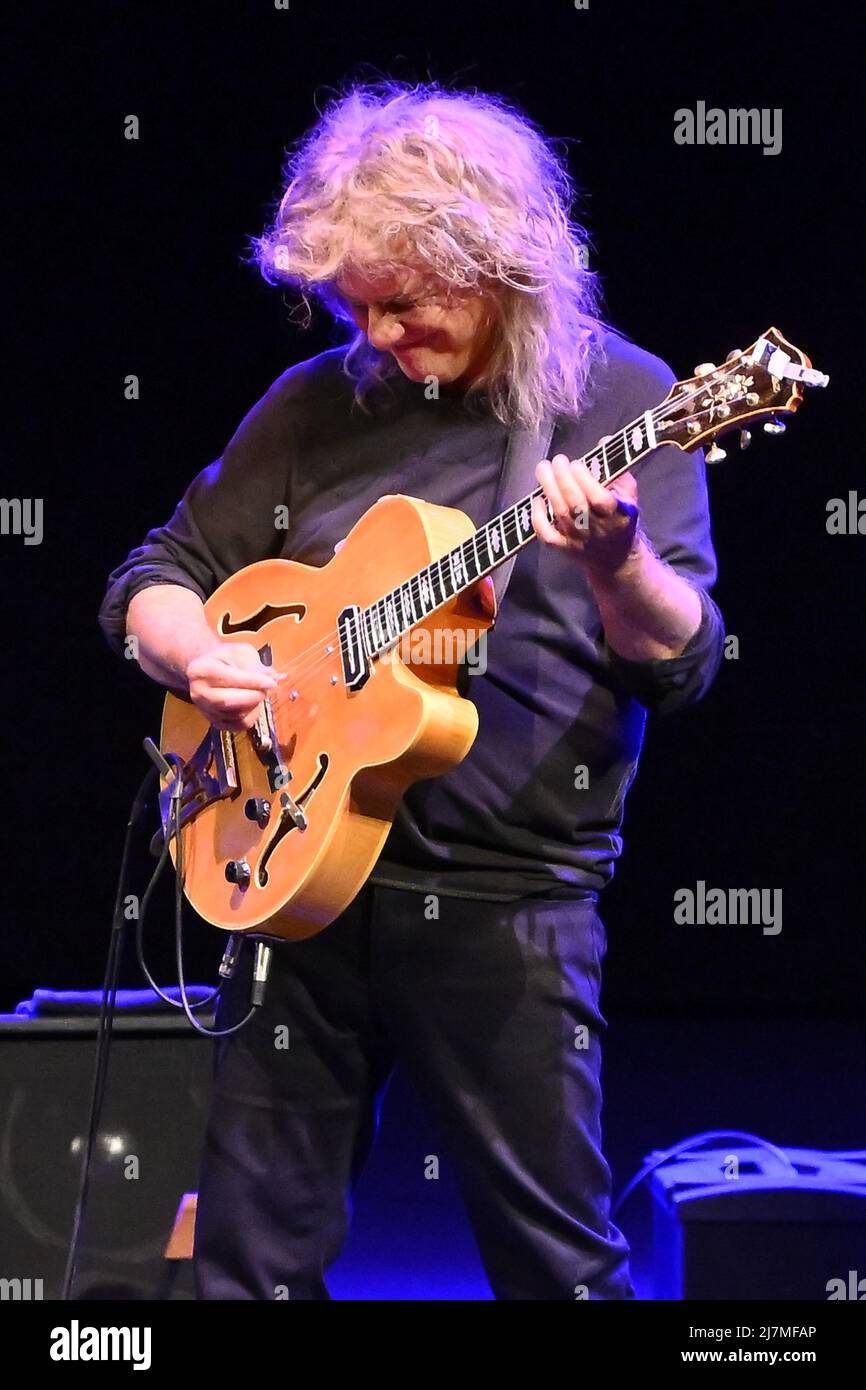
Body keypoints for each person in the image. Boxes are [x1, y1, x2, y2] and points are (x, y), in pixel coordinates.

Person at [98, 81, 725, 1300]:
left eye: (404, 302)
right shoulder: (317, 403)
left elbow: (684, 659)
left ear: (496, 261)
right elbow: (158, 572)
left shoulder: (624, 399)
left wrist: (612, 558)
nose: (375, 335)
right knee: (245, 1263)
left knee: (555, 1265)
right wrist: (192, 652)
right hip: (294, 865)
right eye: (353, 306)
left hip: (508, 892)